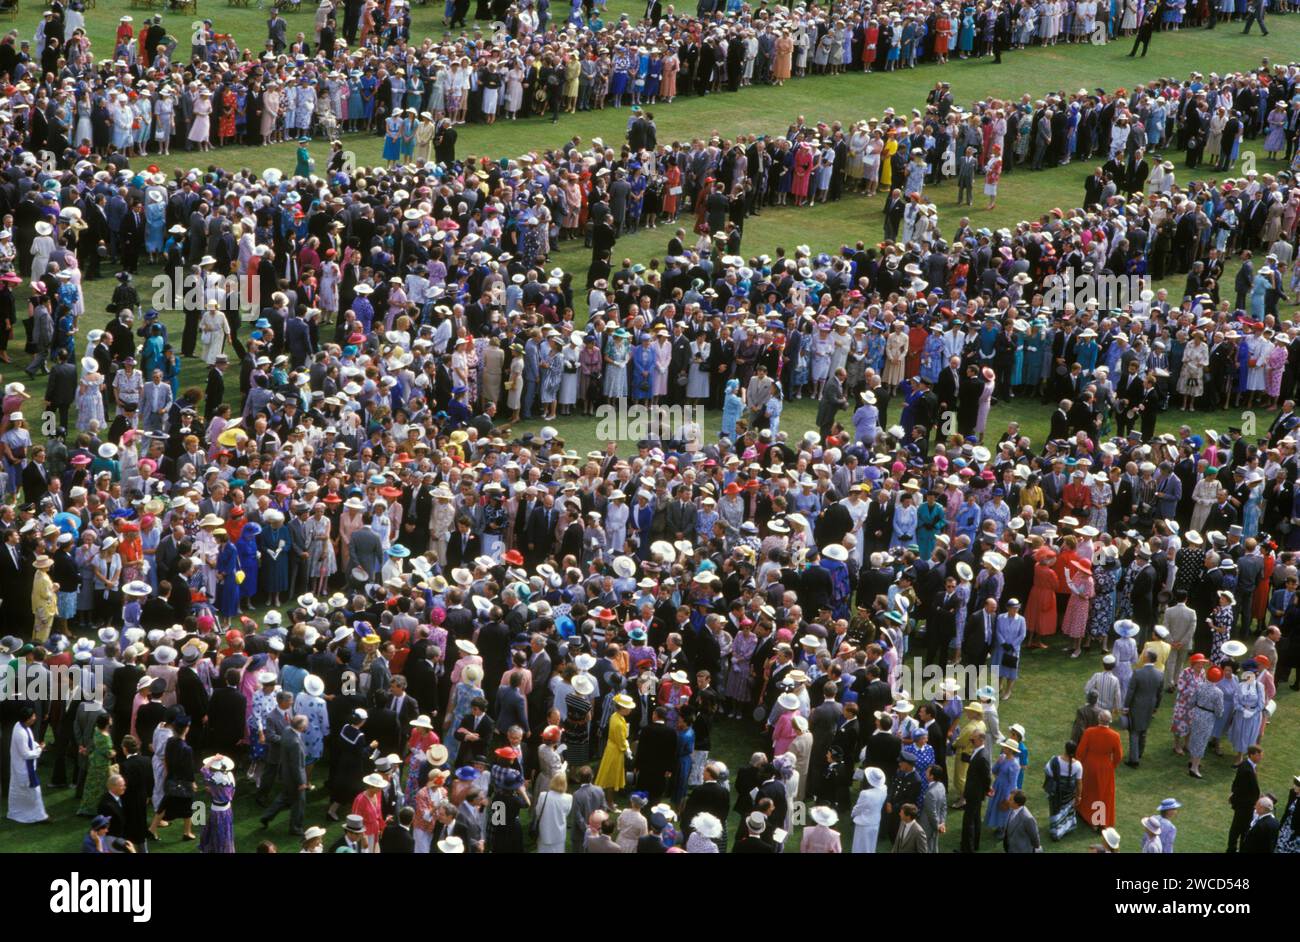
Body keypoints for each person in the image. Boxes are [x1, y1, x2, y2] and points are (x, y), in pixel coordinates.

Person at [1075, 710, 1122, 829]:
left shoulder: (1089, 732)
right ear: (1109, 721)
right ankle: (1099, 820)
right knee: (1103, 794)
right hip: (1106, 767)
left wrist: (1080, 764)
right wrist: (1112, 766)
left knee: (1089, 792)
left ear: (1099, 719)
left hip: (1089, 765)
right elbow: (1118, 756)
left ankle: (1089, 818)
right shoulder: (1115, 735)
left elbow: (1080, 751)